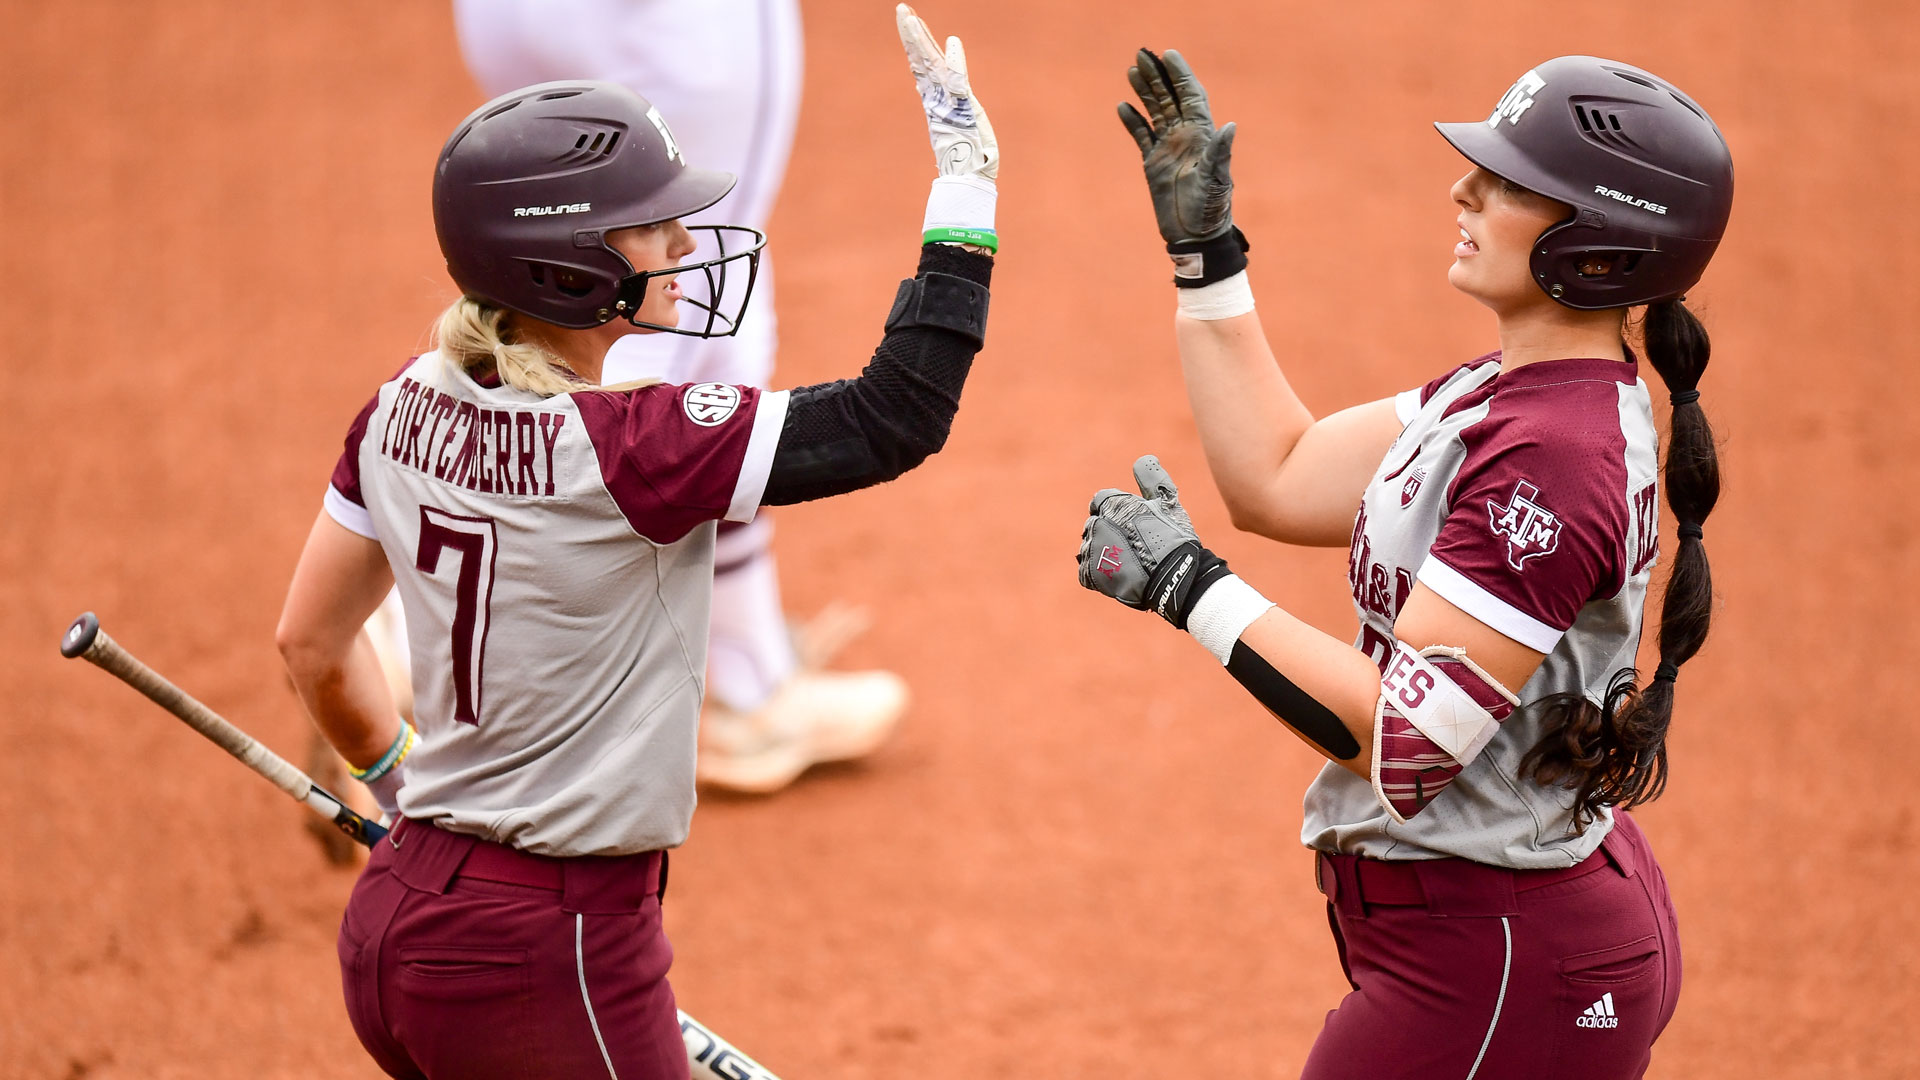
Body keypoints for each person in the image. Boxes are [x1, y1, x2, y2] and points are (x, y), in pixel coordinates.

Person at [274, 6, 998, 1075]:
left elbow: (310, 647)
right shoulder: (635, 453)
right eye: (650, 226)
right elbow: (896, 415)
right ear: (565, 265)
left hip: (397, 929)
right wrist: (967, 197)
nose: (684, 244)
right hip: (551, 953)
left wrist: (392, 783)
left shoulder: (397, 410)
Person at [1077, 52, 1730, 1079]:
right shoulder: (1506, 394)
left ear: (1599, 248)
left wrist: (1188, 588)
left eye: (1511, 182)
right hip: (1494, 933)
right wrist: (1206, 254)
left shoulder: (1553, 462)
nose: (1465, 190)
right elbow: (1278, 477)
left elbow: (1408, 747)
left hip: (1500, 958)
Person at [431, 0, 907, 794]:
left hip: (507, 16)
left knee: (560, 272)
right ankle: (733, 680)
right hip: (673, 28)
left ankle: (723, 636)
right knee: (693, 287)